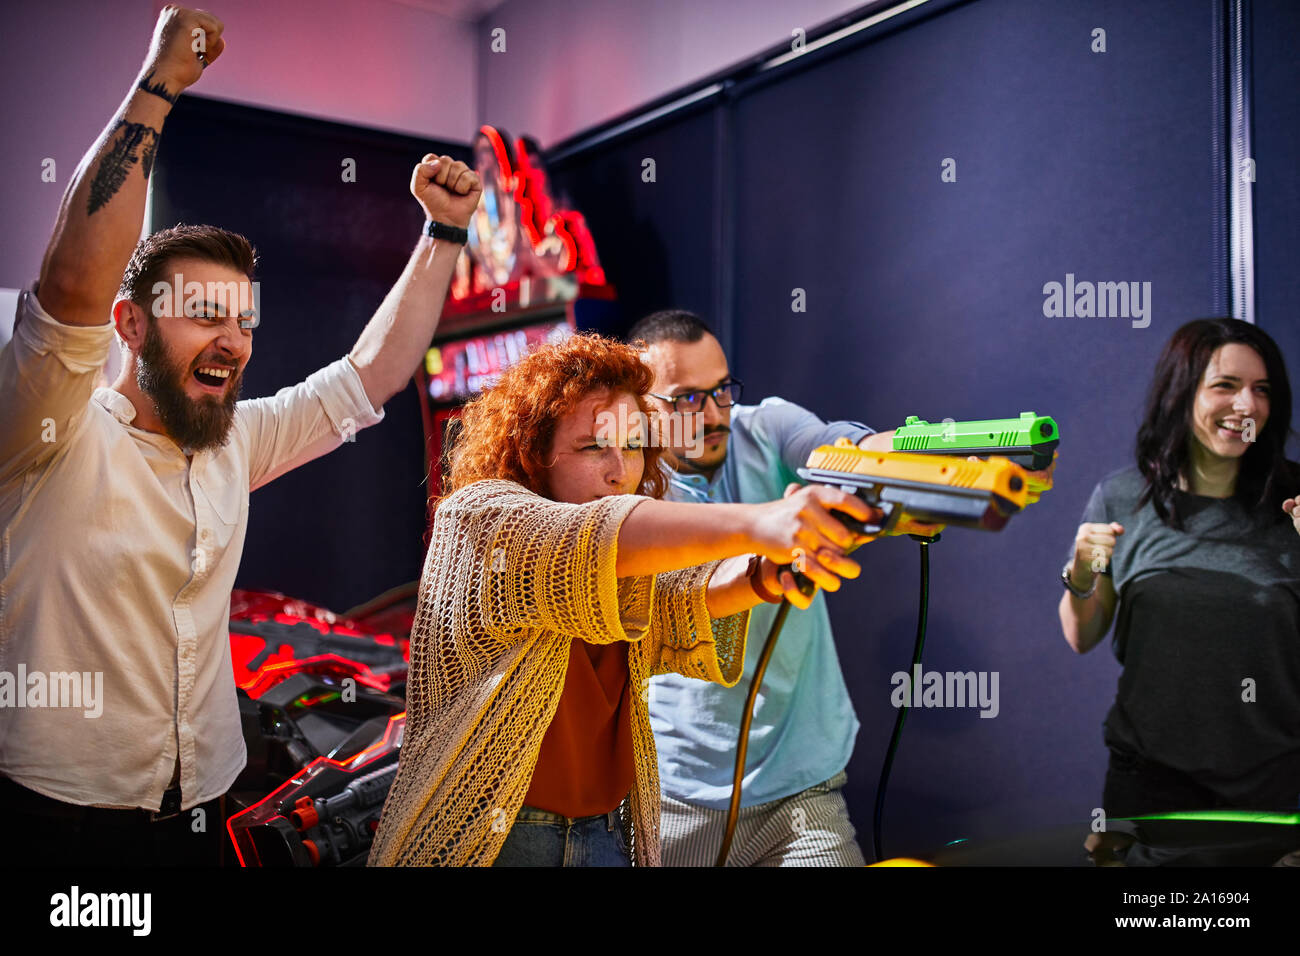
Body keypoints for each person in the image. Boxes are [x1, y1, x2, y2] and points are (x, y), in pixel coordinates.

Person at [0, 5, 482, 865]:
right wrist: (160, 84)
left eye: (244, 320)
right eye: (202, 315)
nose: (232, 339)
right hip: (57, 811)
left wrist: (442, 233)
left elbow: (370, 375)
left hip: (205, 797)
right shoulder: (43, 434)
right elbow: (70, 285)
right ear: (131, 326)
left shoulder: (235, 441)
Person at [367, 333, 874, 866]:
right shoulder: (482, 517)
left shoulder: (618, 560)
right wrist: (765, 522)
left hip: (607, 836)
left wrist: (767, 576)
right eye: (593, 447)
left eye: (633, 446)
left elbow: (677, 602)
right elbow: (588, 534)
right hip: (488, 839)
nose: (620, 470)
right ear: (533, 450)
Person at [626, 309, 899, 866]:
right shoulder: (625, 478)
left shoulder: (767, 424)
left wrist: (924, 454)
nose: (712, 414)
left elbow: (837, 450)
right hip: (675, 792)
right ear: (643, 408)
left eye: (722, 391)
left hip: (799, 790)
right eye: (685, 399)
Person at [1060, 318, 1300, 817]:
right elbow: (1083, 637)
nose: (1247, 406)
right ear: (1181, 392)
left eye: (1261, 390)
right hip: (1147, 781)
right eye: (1225, 386)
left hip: (1279, 782)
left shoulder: (1295, 500)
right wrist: (1081, 577)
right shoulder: (1121, 497)